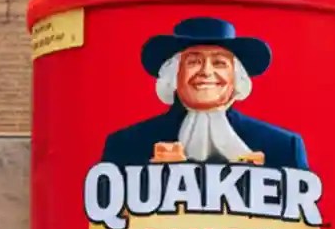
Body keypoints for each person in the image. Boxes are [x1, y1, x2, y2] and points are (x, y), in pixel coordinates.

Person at [101, 17, 308, 169]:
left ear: (236, 76)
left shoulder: (282, 147)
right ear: (174, 74)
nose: (207, 72)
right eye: (194, 61)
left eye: (219, 62)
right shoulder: (126, 145)